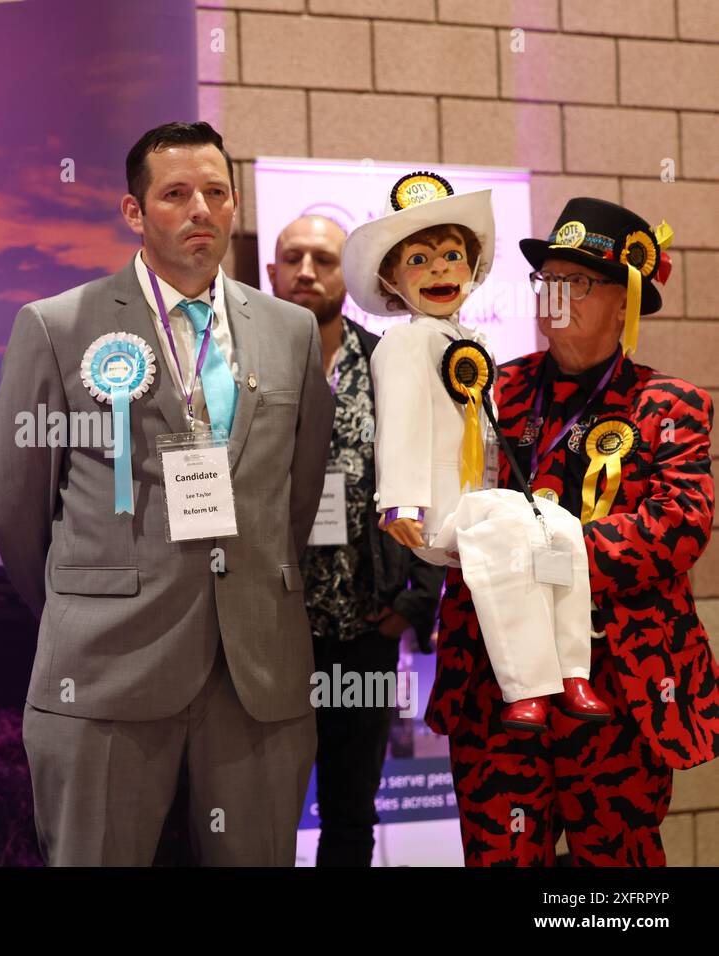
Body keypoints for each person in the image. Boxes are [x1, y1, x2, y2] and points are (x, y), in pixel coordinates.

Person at [0, 121, 334, 866]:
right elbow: (13, 508)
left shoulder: (292, 331)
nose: (200, 208)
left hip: (256, 675)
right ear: (135, 213)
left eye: (215, 192)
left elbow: (295, 498)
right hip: (105, 668)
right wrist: (87, 599)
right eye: (176, 194)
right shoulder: (56, 326)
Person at [428, 196, 719, 865]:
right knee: (500, 856)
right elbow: (456, 501)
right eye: (548, 281)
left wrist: (542, 548)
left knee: (615, 867)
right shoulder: (491, 391)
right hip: (496, 685)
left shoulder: (668, 405)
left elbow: (679, 525)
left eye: (578, 283)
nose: (557, 297)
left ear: (626, 302)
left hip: (617, 687)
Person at [343, 172, 610, 733]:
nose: (439, 270)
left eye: (450, 255)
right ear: (392, 280)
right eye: (418, 260)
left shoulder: (472, 342)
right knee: (514, 533)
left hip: (478, 493)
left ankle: (572, 668)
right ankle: (527, 687)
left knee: (558, 525)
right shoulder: (404, 344)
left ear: (472, 265)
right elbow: (399, 422)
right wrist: (401, 502)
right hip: (439, 505)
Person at [268, 214, 445, 866]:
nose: (307, 270)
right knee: (262, 810)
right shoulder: (236, 370)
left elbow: (431, 480)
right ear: (271, 273)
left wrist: (413, 601)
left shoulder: (388, 365)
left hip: (364, 631)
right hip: (270, 638)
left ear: (351, 276)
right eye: (293, 258)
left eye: (324, 258)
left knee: (350, 813)